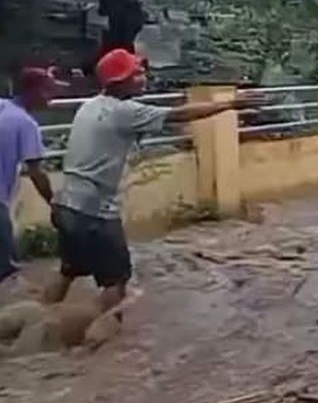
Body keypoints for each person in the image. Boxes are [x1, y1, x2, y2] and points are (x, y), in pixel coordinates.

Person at [44, 49, 262, 313]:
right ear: (118, 81)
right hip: (96, 212)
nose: (144, 77)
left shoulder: (89, 106)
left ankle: (34, 321)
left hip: (66, 205)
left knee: (68, 272)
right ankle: (86, 339)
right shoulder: (124, 111)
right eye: (137, 74)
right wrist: (230, 104)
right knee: (117, 285)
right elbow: (180, 115)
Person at [1, 68, 60, 284]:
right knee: (8, 272)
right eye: (49, 91)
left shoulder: (3, 107)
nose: (52, 98)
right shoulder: (26, 124)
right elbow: (36, 172)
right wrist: (53, 204)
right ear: (33, 91)